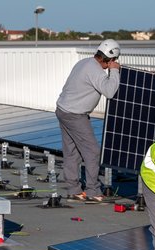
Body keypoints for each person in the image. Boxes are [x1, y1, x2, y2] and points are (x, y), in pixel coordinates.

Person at [55, 39, 121, 203]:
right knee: (92, 153)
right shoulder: (96, 70)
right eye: (114, 61)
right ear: (110, 59)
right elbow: (110, 91)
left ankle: (73, 189)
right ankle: (93, 190)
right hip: (75, 115)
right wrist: (114, 72)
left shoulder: (85, 62)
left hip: (63, 109)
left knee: (72, 151)